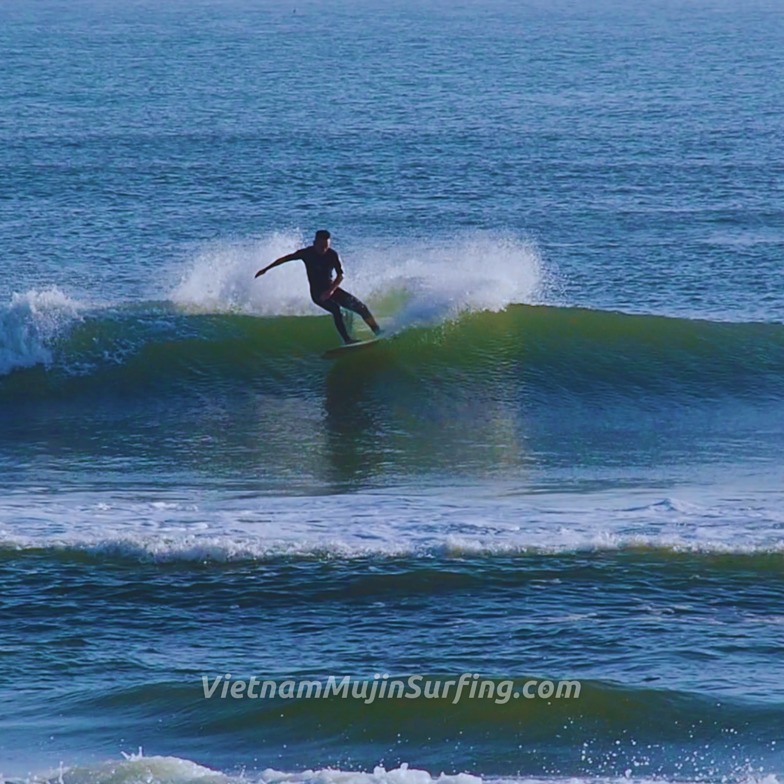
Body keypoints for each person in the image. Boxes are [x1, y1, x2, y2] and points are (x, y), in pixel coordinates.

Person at [254, 230, 381, 344]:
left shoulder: (332, 254)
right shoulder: (306, 253)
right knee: (336, 310)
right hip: (317, 294)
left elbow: (341, 275)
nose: (324, 249)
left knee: (362, 308)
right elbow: (286, 259)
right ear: (314, 243)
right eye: (321, 246)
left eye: (326, 246)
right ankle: (347, 340)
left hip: (331, 289)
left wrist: (330, 291)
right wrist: (266, 269)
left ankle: (378, 332)